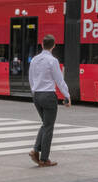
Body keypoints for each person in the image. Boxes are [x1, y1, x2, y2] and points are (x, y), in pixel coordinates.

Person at [28, 35, 70, 167]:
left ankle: (35, 151)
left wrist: (34, 91)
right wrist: (67, 96)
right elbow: (59, 80)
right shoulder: (53, 61)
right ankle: (44, 158)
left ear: (41, 44)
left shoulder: (34, 59)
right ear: (54, 45)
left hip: (37, 96)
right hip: (48, 96)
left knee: (45, 124)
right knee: (48, 127)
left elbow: (31, 77)